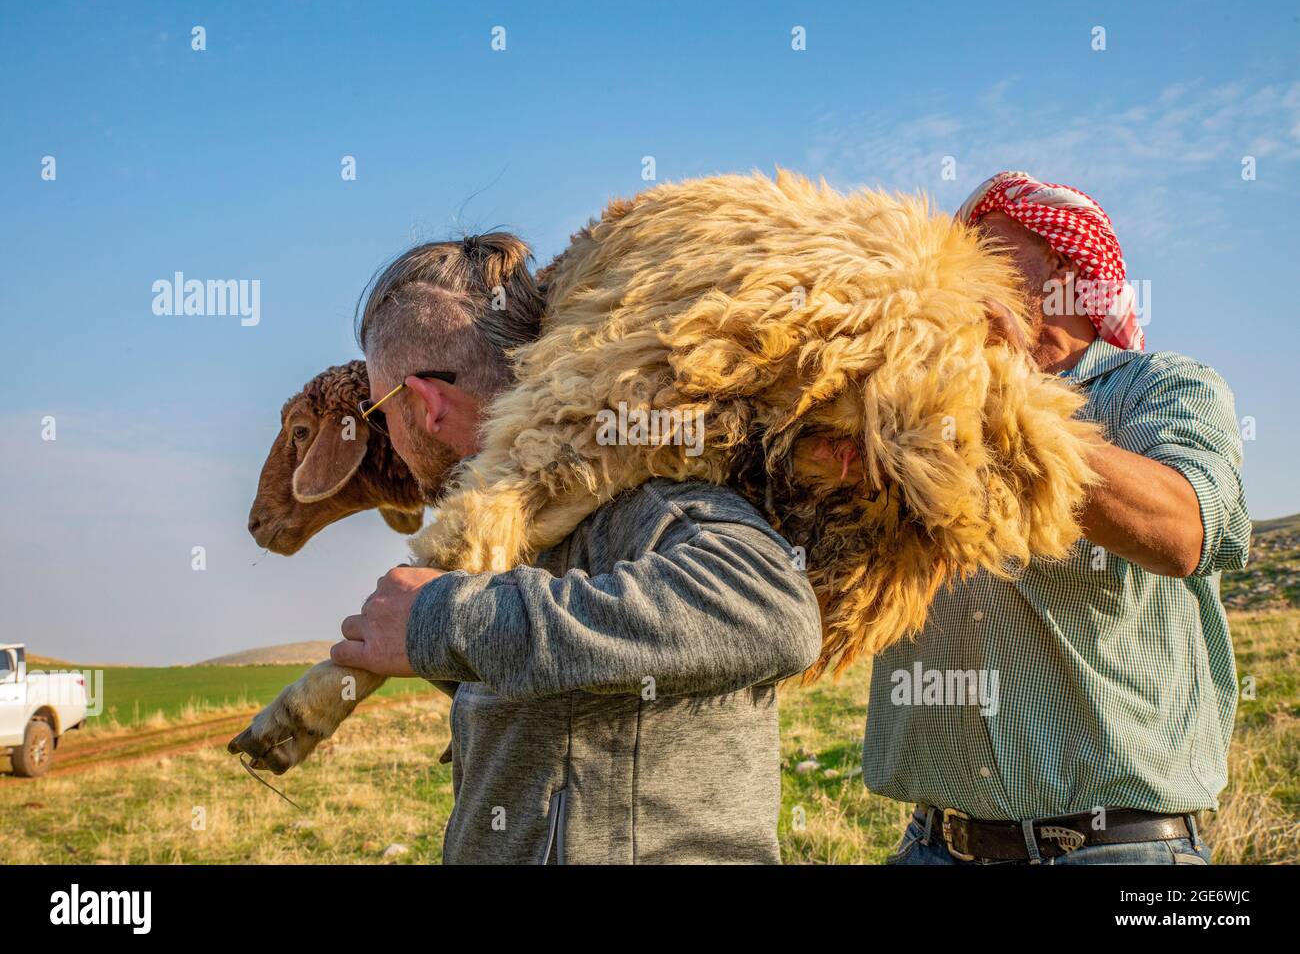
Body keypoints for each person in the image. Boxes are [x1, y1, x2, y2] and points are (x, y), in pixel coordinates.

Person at [333, 235, 823, 864]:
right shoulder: (511, 528)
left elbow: (775, 611)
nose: (387, 437)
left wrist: (442, 619)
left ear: (424, 404)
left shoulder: (644, 496)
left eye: (381, 409)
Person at [867, 172, 1251, 865]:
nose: (956, 273)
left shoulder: (1160, 387)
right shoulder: (920, 410)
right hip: (933, 845)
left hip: (1115, 852)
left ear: (1067, 270)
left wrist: (1010, 398)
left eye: (985, 252)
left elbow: (1187, 529)